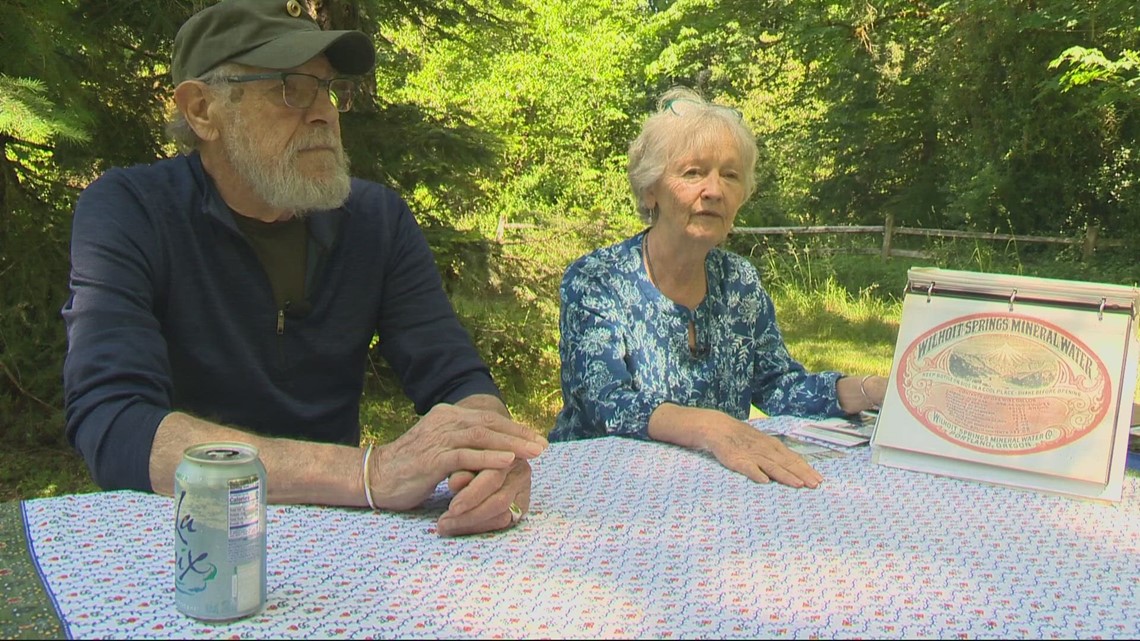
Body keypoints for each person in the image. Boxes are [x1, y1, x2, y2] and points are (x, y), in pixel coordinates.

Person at [61, 0, 546, 537]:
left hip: (337, 542)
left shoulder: (376, 220)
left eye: (328, 88)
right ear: (202, 110)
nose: (323, 112)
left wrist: (494, 458)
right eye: (292, 88)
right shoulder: (131, 211)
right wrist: (371, 472)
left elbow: (454, 374)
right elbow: (114, 422)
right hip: (184, 546)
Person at [550, 86, 886, 489]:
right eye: (693, 173)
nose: (714, 190)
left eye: (730, 175)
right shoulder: (598, 279)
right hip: (604, 490)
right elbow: (604, 403)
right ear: (649, 188)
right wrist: (713, 427)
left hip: (715, 490)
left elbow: (778, 386)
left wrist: (871, 391)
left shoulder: (739, 283)